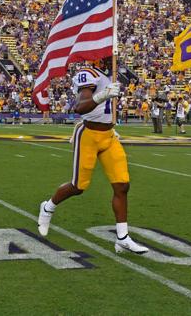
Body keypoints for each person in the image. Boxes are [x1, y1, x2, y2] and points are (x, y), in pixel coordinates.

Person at [36, 61, 148, 255]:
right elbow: (80, 107)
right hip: (89, 135)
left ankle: (122, 238)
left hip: (109, 135)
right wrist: (103, 95)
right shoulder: (88, 74)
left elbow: (105, 110)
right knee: (78, 186)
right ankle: (48, 207)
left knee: (122, 185)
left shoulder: (110, 72)